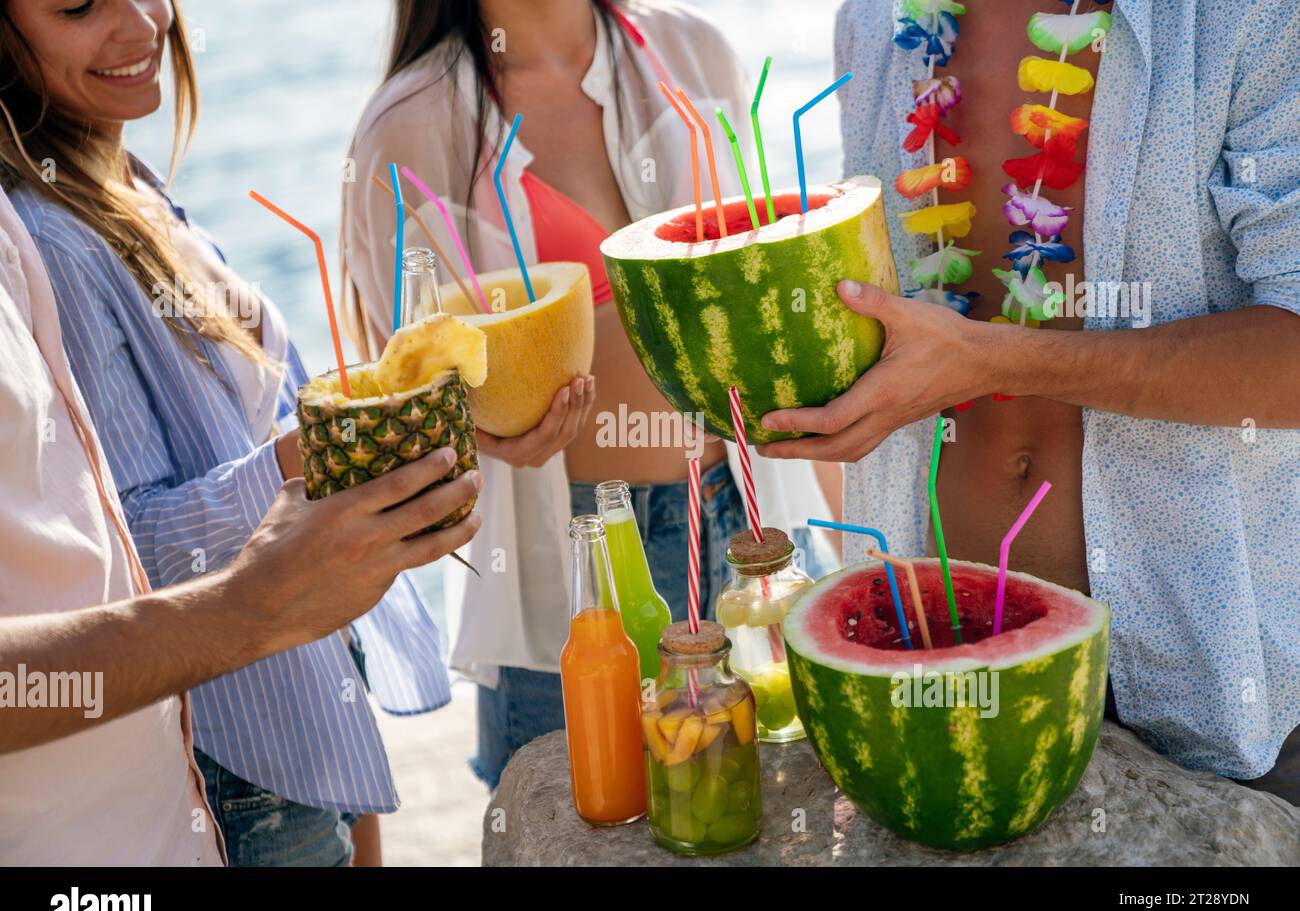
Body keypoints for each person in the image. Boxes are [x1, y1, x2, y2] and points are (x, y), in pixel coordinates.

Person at [758, 0, 1300, 803]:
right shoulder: (872, 23)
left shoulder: (1249, 15)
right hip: (923, 666)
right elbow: (872, 309)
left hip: (1202, 689)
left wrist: (993, 361)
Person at [1, 0, 469, 864]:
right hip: (233, 772)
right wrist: (306, 459)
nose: (144, 22)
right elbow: (121, 549)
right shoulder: (49, 241)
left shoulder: (120, 174)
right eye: (77, 5)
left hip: (288, 722)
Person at [341, 0, 842, 788]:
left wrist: (849, 540)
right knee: (578, 823)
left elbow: (774, 318)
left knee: (766, 814)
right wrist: (482, 439)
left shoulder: (694, 54)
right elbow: (398, 400)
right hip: (571, 561)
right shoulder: (407, 129)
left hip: (740, 519)